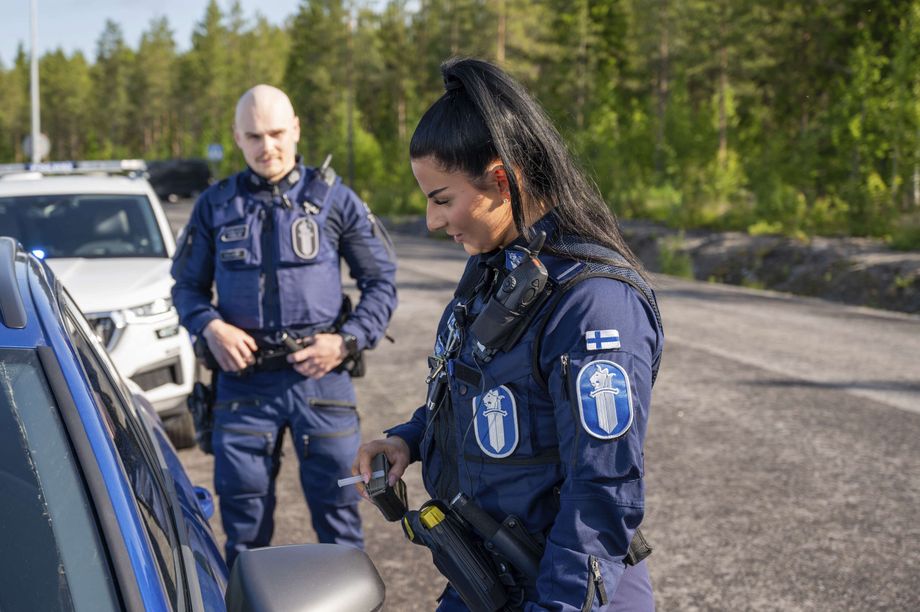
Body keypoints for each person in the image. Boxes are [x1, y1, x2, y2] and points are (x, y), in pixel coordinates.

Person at [353, 58, 663, 611]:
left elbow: (602, 494)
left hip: (564, 592)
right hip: (486, 582)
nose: (431, 220)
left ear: (501, 179)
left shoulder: (592, 302)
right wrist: (410, 438)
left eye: (442, 198)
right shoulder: (498, 269)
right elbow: (476, 385)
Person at [172, 84, 397, 566]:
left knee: (340, 523)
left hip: (323, 382)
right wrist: (211, 327)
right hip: (244, 386)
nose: (266, 146)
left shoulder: (335, 199)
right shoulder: (215, 205)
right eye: (253, 135)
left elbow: (380, 280)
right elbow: (186, 289)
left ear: (295, 129)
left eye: (276, 132)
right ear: (237, 137)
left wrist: (346, 341)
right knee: (244, 528)